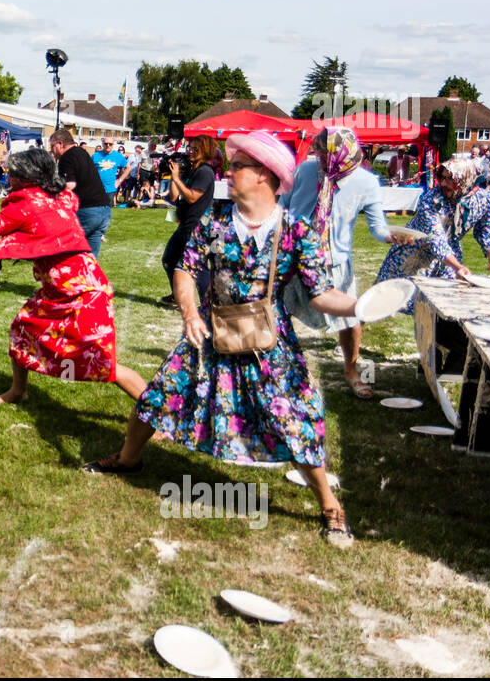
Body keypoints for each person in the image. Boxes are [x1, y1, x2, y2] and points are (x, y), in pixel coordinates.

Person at [83, 131, 359, 547]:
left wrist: (361, 306)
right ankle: (128, 458)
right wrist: (190, 312)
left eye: (239, 166)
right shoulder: (215, 221)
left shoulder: (296, 231)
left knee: (296, 419)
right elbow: (184, 269)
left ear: (265, 175)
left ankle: (330, 506)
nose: (229, 172)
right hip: (211, 331)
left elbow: (321, 293)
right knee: (158, 396)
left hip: (269, 341)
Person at [0, 147, 146, 407]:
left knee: (103, 362)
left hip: (84, 291)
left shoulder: (26, 204)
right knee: (22, 329)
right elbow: (63, 207)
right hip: (62, 288)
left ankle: (157, 415)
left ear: (28, 176)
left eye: (14, 173)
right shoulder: (61, 196)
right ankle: (19, 391)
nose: (9, 176)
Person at [284, 127, 396, 399]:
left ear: (343, 152)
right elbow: (283, 204)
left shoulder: (367, 182)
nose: (319, 156)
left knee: (351, 317)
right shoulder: (305, 171)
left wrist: (391, 237)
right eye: (318, 150)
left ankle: (351, 370)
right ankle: (283, 369)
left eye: (325, 151)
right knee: (278, 311)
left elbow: (376, 226)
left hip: (335, 261)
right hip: (293, 253)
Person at [375, 156, 490, 310]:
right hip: (414, 251)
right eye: (442, 178)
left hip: (450, 257)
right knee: (387, 301)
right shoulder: (431, 199)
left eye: (450, 179)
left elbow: (487, 230)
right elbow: (436, 239)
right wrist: (457, 267)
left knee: (446, 306)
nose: (443, 183)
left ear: (465, 180)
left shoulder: (485, 200)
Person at [159, 136, 217, 305]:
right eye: (189, 147)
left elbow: (192, 197)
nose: (189, 151)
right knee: (169, 259)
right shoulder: (192, 170)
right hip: (185, 225)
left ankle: (209, 304)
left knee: (199, 267)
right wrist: (173, 176)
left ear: (204, 150)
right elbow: (175, 196)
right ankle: (178, 296)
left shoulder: (205, 171)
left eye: (194, 148)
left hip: (197, 226)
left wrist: (177, 178)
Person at [50, 129, 111, 256]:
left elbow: (69, 184)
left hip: (87, 211)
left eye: (52, 146)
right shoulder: (82, 152)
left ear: (60, 144)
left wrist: (50, 193)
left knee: (64, 252)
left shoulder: (66, 157)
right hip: (104, 210)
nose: (51, 150)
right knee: (90, 260)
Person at [92, 137, 131, 208]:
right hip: (96, 188)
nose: (108, 145)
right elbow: (89, 169)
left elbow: (128, 168)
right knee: (95, 211)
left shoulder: (118, 156)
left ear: (113, 145)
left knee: (106, 212)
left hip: (110, 188)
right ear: (102, 144)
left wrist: (120, 180)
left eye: (110, 144)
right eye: (106, 144)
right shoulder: (95, 155)